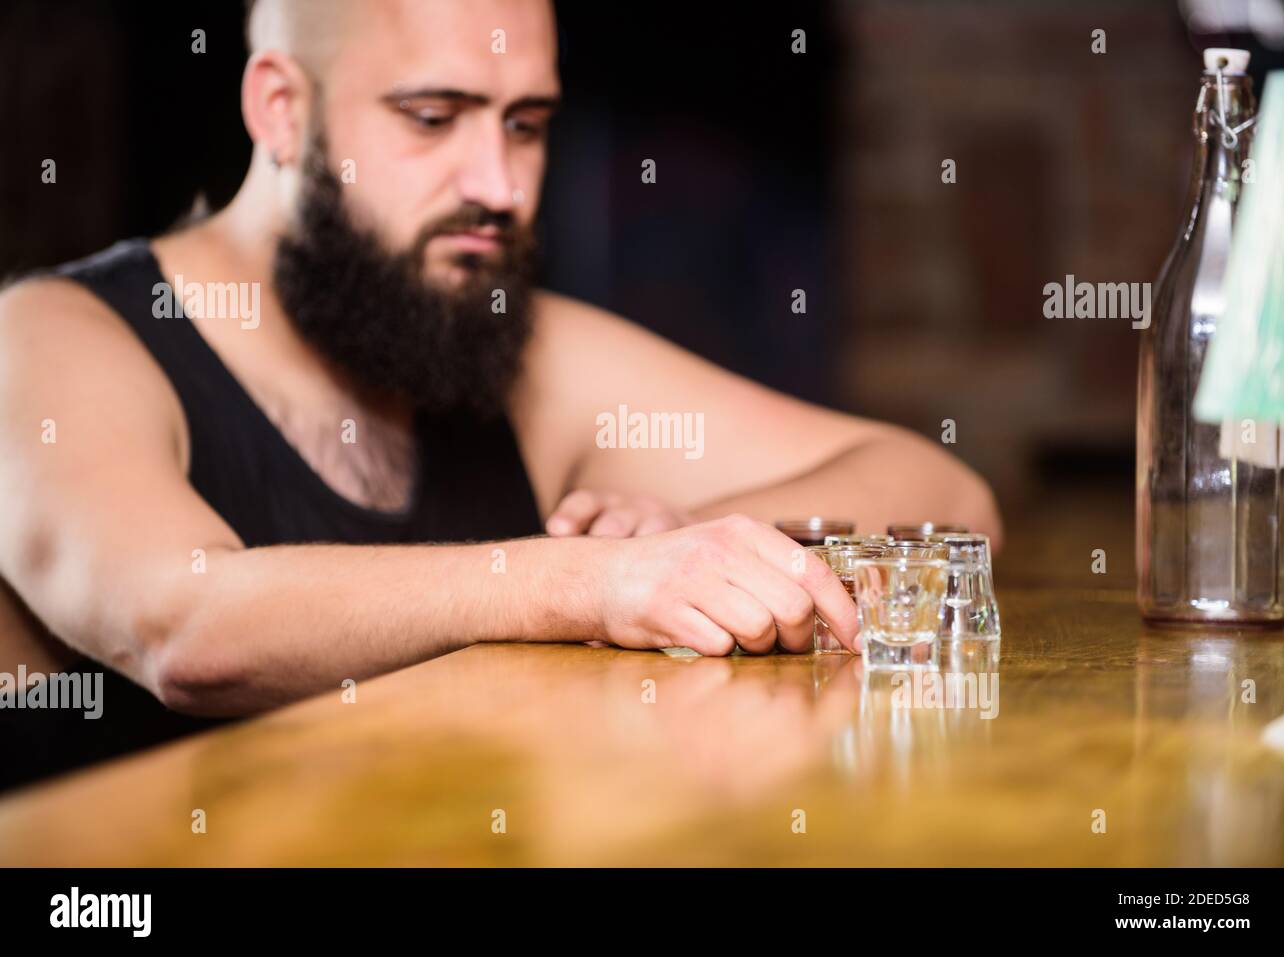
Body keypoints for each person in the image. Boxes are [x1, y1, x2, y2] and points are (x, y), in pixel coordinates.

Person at [0, 0, 999, 777]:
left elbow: (947, 496)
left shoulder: (516, 350)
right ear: (282, 110)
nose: (500, 184)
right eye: (432, 118)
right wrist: (593, 583)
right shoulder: (49, 339)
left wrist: (694, 546)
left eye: (526, 124)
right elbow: (185, 626)